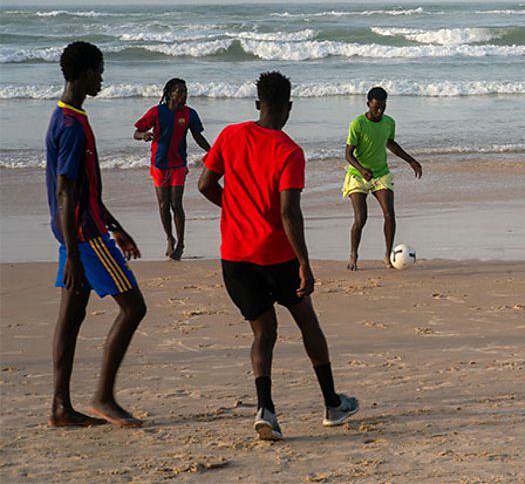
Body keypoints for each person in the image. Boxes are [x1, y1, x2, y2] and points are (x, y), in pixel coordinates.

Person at [198, 71, 358, 441]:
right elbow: (289, 212)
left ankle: (265, 409)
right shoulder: (290, 151)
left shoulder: (230, 135)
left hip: (236, 259)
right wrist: (305, 263)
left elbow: (205, 184)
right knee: (307, 322)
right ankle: (332, 404)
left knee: (263, 332)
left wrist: (235, 209)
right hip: (278, 257)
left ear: (257, 104)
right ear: (288, 107)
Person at [46, 41, 147, 428]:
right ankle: (103, 397)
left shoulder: (65, 116)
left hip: (75, 232)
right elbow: (66, 191)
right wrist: (74, 252)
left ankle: (60, 408)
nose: (102, 78)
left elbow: (85, 191)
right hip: (84, 238)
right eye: (100, 71)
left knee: (70, 319)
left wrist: (117, 227)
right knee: (134, 307)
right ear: (85, 73)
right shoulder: (71, 126)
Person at [343, 87, 423, 271]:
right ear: (368, 104)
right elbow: (348, 154)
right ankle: (353, 254)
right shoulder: (358, 123)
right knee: (360, 219)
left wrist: (411, 160)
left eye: (383, 107)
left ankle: (388, 256)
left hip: (381, 174)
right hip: (358, 175)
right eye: (376, 107)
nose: (379, 111)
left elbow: (391, 144)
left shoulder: (389, 123)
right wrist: (362, 170)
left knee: (389, 214)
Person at [133, 78, 211, 260]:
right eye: (180, 91)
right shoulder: (156, 112)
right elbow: (136, 132)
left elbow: (198, 136)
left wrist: (212, 151)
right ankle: (169, 238)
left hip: (178, 165)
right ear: (170, 94)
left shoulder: (190, 114)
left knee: (176, 204)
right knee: (163, 204)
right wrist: (143, 135)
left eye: (186, 91)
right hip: (159, 164)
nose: (185, 95)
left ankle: (181, 244)